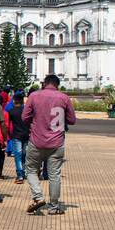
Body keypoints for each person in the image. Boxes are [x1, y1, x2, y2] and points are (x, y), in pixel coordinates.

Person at [21, 74, 75, 215]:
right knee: (54, 175)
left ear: (44, 83)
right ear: (57, 85)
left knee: (31, 170)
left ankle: (38, 197)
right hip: (56, 142)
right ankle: (54, 207)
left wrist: (35, 123)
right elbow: (72, 120)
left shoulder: (34, 96)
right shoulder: (64, 98)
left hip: (36, 141)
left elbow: (24, 117)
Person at [7, 90, 29, 183]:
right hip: (26, 135)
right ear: (22, 101)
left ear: (14, 101)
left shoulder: (11, 112)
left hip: (16, 135)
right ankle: (24, 172)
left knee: (18, 155)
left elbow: (8, 124)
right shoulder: (26, 111)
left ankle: (20, 175)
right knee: (24, 155)